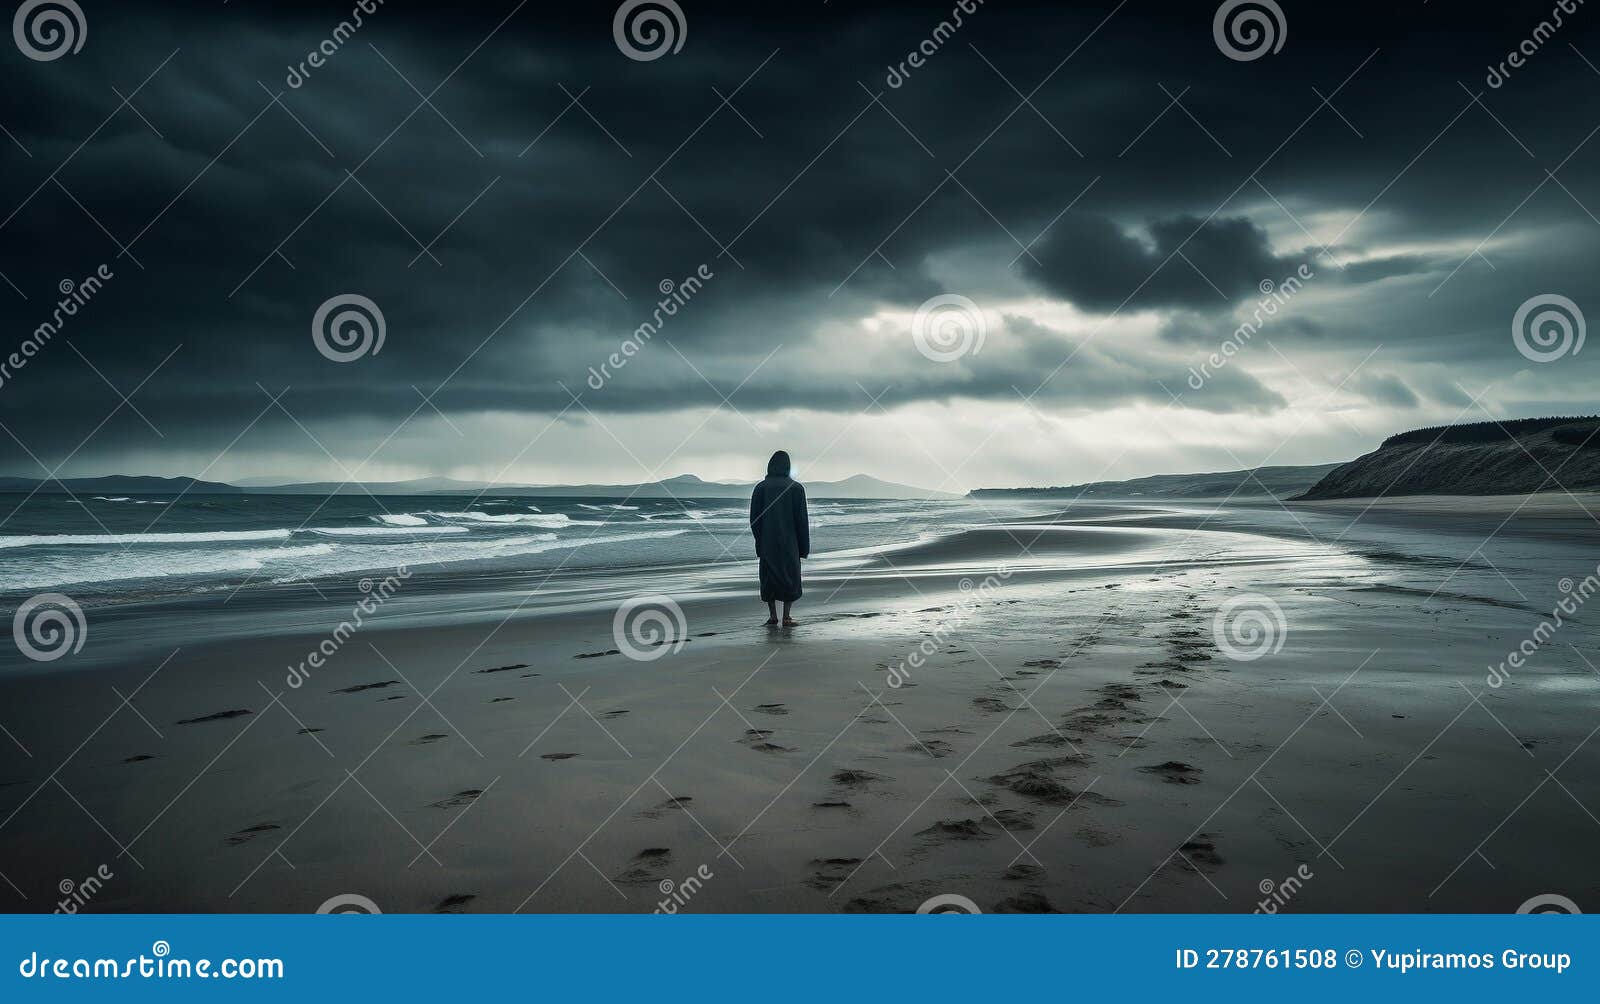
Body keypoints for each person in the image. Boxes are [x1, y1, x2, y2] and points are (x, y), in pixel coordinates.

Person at [749, 450, 809, 627]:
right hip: (790, 542)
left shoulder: (760, 488)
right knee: (790, 577)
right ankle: (787, 617)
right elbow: (801, 520)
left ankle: (773, 616)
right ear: (788, 466)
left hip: (767, 541)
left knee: (768, 578)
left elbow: (754, 519)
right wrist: (803, 548)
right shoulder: (797, 489)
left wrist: (759, 540)